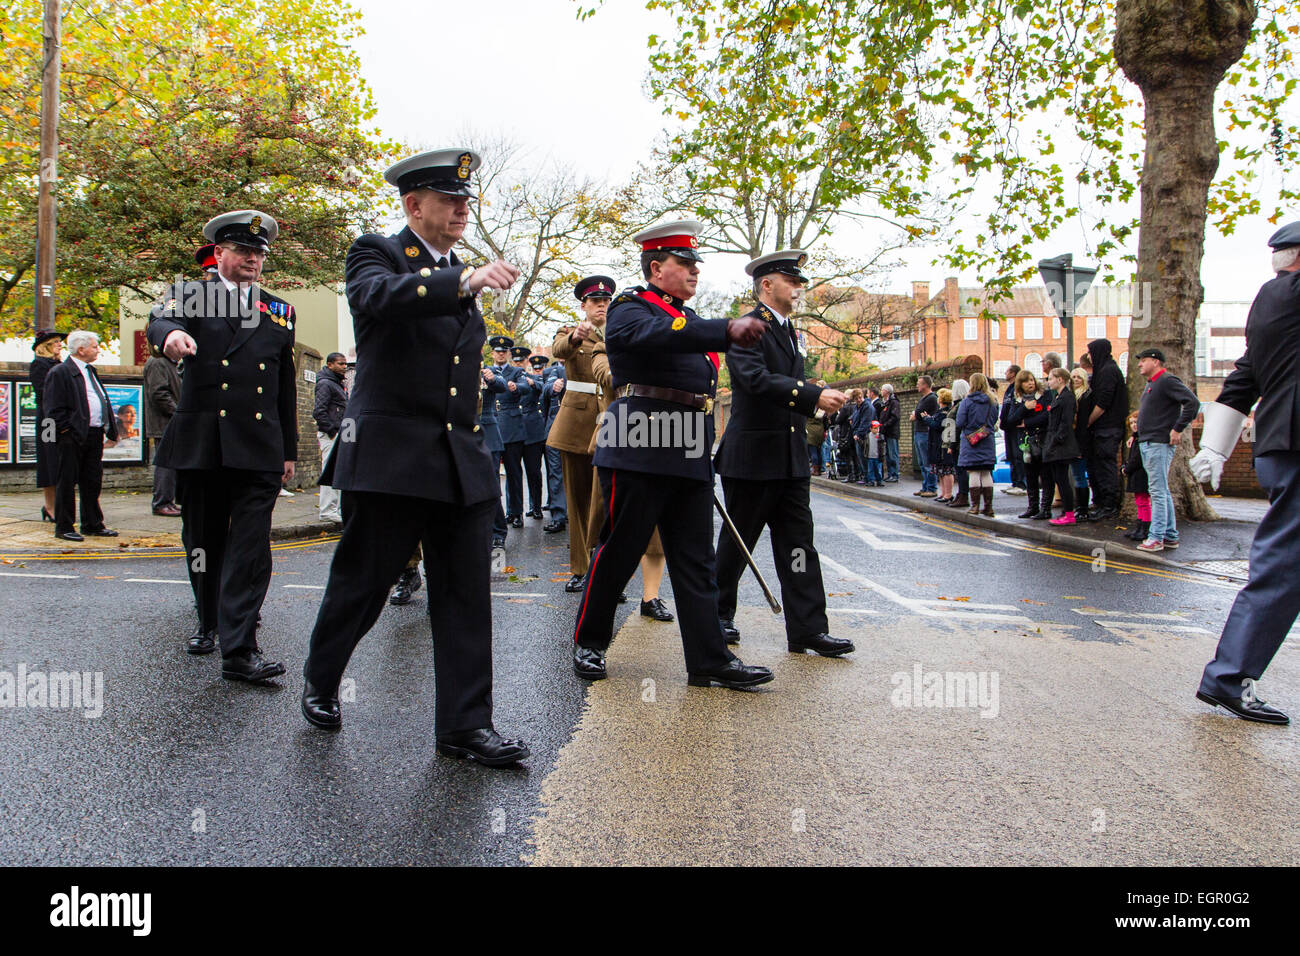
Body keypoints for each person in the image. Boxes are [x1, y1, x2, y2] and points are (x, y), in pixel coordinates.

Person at [300, 147, 531, 764]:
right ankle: (322, 678)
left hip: (457, 455)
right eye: (449, 201)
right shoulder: (376, 252)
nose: (461, 210)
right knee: (363, 584)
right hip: (391, 457)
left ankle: (464, 726)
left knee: (464, 594)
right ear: (414, 205)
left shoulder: (456, 272)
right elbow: (380, 299)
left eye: (465, 202)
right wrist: (463, 279)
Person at [570, 219, 772, 689]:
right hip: (640, 441)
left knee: (695, 558)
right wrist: (727, 328)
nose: (695, 272)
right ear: (656, 267)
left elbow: (690, 347)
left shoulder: (688, 318)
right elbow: (663, 336)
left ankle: (709, 659)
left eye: (695, 264)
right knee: (621, 548)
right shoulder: (629, 308)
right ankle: (591, 641)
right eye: (685, 263)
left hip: (687, 443)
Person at [148, 210, 295, 677]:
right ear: (221, 254)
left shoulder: (280, 309)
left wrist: (288, 449)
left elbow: (284, 385)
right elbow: (161, 320)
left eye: (259, 253)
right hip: (204, 442)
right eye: (243, 251)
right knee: (204, 540)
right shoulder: (192, 296)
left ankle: (240, 647)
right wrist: (170, 335)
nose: (252, 259)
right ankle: (208, 620)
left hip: (258, 444)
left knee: (251, 546)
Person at [713, 249, 852, 656]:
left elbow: (783, 383)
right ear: (767, 285)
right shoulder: (747, 327)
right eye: (792, 282)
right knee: (737, 545)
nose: (799, 288)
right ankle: (718, 616)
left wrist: (812, 389)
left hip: (789, 457)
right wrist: (811, 394)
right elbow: (754, 379)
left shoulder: (789, 331)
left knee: (797, 546)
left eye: (800, 282)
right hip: (753, 457)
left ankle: (807, 627)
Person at [1189, 221, 1300, 725]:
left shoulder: (1268, 305)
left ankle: (1230, 676)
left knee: (1284, 565)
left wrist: (1214, 445)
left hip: (1281, 443)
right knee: (1282, 568)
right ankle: (1229, 677)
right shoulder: (1292, 295)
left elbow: (1244, 375)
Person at [548, 276, 615, 589]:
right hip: (577, 426)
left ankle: (605, 569)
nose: (602, 305)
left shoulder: (619, 333)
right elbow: (559, 349)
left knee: (606, 501)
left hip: (610, 426)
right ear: (584, 306)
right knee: (577, 500)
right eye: (595, 301)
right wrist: (576, 335)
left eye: (606, 301)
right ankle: (580, 568)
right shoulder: (571, 333)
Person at [43, 330, 120, 542]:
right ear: (81, 349)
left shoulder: (90, 371)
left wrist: (109, 428)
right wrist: (66, 430)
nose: (98, 350)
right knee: (67, 481)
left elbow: (99, 399)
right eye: (95, 346)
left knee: (92, 481)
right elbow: (53, 408)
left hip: (93, 433)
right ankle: (64, 526)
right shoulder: (60, 372)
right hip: (72, 436)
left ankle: (92, 524)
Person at [1133, 348, 1198, 553]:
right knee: (1162, 491)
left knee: (1157, 492)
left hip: (1158, 443)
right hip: (1149, 442)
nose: (1139, 364)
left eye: (1143, 360)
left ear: (1155, 361)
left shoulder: (1167, 381)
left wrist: (1177, 429)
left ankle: (1156, 537)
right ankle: (1170, 535)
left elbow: (1192, 403)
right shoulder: (1153, 384)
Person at [1084, 338, 1129, 521]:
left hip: (1108, 427)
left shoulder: (1108, 371)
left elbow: (1104, 401)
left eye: (1090, 352)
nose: (1088, 356)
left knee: (1106, 465)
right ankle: (1102, 502)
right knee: (1098, 466)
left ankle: (1109, 505)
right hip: (1102, 428)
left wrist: (1088, 421)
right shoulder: (1104, 370)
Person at [496, 341, 535, 527]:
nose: (501, 354)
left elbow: (526, 386)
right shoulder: (487, 370)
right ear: (493, 353)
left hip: (512, 426)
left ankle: (516, 512)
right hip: (494, 426)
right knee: (493, 477)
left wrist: (516, 388)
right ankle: (499, 515)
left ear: (508, 354)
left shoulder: (516, 371)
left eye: (504, 352)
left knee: (513, 473)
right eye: (498, 352)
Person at [29, 330, 66, 522]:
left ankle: (58, 504)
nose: (60, 345)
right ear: (46, 346)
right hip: (47, 420)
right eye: (56, 342)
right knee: (48, 460)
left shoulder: (60, 364)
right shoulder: (39, 364)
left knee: (60, 460)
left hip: (61, 418)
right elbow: (43, 392)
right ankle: (50, 506)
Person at [480, 336, 512, 552]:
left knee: (491, 487)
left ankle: (498, 532)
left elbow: (501, 386)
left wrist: (490, 379)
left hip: (488, 436)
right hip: (465, 436)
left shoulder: (488, 371)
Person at [1007, 369, 1053, 520]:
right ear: (1020, 384)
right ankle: (1032, 507)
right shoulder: (1017, 399)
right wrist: (1024, 408)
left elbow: (1047, 416)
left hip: (1042, 441)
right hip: (1026, 444)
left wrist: (1027, 422)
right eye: (1027, 381)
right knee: (1030, 475)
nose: (1030, 383)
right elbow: (1010, 421)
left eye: (1032, 380)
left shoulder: (1045, 396)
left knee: (1046, 476)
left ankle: (1045, 508)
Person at [142, 343, 182, 516]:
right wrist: (179, 413)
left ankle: (169, 501)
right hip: (164, 423)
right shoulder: (158, 362)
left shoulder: (171, 364)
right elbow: (159, 394)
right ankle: (162, 503)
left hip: (172, 422)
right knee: (166, 464)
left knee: (173, 463)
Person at [1042, 367, 1082, 524]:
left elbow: (1065, 423)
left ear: (1060, 380)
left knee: (1062, 479)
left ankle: (1069, 514)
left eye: (1051, 378)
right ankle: (1067, 513)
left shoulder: (1067, 398)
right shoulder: (1059, 397)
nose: (1048, 381)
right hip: (1056, 444)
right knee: (1059, 479)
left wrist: (1055, 440)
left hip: (1061, 446)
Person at [956, 372, 1000, 515]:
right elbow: (993, 421)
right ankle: (989, 507)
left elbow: (960, 422)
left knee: (974, 472)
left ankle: (975, 506)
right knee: (986, 473)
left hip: (971, 440)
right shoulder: (993, 401)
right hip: (987, 439)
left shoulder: (967, 401)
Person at [313, 351, 348, 523]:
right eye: (340, 364)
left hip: (340, 433)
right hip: (331, 435)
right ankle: (327, 510)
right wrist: (332, 432)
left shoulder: (337, 383)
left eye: (344, 364)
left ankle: (336, 509)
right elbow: (319, 411)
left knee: (338, 471)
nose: (344, 367)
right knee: (330, 470)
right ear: (330, 365)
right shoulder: (326, 383)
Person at [517, 347, 547, 520]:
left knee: (534, 471)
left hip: (533, 431)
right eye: (516, 361)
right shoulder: (506, 379)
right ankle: (516, 511)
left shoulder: (533, 378)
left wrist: (532, 383)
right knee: (514, 474)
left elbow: (543, 386)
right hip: (514, 430)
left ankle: (536, 506)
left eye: (522, 361)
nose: (519, 363)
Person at [540, 357, 567, 531]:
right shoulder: (553, 372)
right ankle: (558, 516)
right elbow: (546, 390)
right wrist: (554, 387)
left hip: (578, 427)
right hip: (555, 429)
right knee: (556, 473)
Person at [1121, 411, 1150, 541]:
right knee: (1139, 501)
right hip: (1136, 474)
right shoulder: (1136, 438)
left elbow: (1137, 459)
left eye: (1136, 422)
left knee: (1144, 502)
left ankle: (1145, 529)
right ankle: (1139, 527)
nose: (1133, 425)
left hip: (1141, 474)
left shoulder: (1141, 440)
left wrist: (1126, 469)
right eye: (1131, 423)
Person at [1069, 366, 1093, 521]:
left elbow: (1082, 423)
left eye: (1079, 377)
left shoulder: (1085, 396)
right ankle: (1080, 508)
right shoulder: (1073, 396)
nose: (1076, 380)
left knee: (1080, 476)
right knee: (1078, 476)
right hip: (1075, 442)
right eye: (1074, 377)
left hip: (1081, 442)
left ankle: (1083, 509)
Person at [999, 364, 1027, 496]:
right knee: (1011, 455)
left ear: (1014, 373)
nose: (1005, 373)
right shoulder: (1009, 388)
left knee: (1018, 455)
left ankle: (1022, 484)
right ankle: (1015, 482)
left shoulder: (1018, 388)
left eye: (1007, 371)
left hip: (1016, 428)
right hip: (1008, 427)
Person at [911, 375, 938, 496]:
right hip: (919, 432)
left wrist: (915, 415)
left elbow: (916, 414)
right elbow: (917, 414)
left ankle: (931, 488)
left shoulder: (931, 398)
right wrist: (915, 415)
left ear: (925, 385)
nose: (917, 385)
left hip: (925, 433)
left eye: (919, 383)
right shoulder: (923, 398)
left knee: (927, 462)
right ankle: (925, 486)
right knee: (922, 462)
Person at [946, 378, 971, 508]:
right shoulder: (957, 404)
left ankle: (963, 495)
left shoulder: (961, 404)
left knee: (961, 470)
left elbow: (957, 426)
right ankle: (961, 494)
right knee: (959, 470)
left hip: (958, 443)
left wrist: (951, 445)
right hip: (957, 441)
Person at [929, 387, 956, 502]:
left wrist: (927, 419)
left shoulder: (945, 412)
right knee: (940, 470)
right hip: (937, 444)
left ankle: (948, 494)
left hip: (943, 444)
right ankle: (943, 493)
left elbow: (938, 425)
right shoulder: (941, 412)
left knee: (946, 470)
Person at [850, 387, 874, 485]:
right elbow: (855, 418)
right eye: (856, 398)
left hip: (864, 436)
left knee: (865, 457)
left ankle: (868, 478)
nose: (859, 400)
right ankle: (865, 476)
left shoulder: (867, 407)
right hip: (857, 434)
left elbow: (866, 422)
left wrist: (858, 434)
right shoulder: (857, 407)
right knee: (861, 457)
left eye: (860, 397)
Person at [879, 383, 900, 480]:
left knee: (893, 453)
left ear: (887, 391)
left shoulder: (894, 402)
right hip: (886, 432)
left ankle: (895, 474)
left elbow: (894, 417)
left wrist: (885, 425)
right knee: (888, 454)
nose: (881, 391)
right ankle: (891, 474)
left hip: (892, 432)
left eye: (882, 390)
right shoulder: (885, 403)